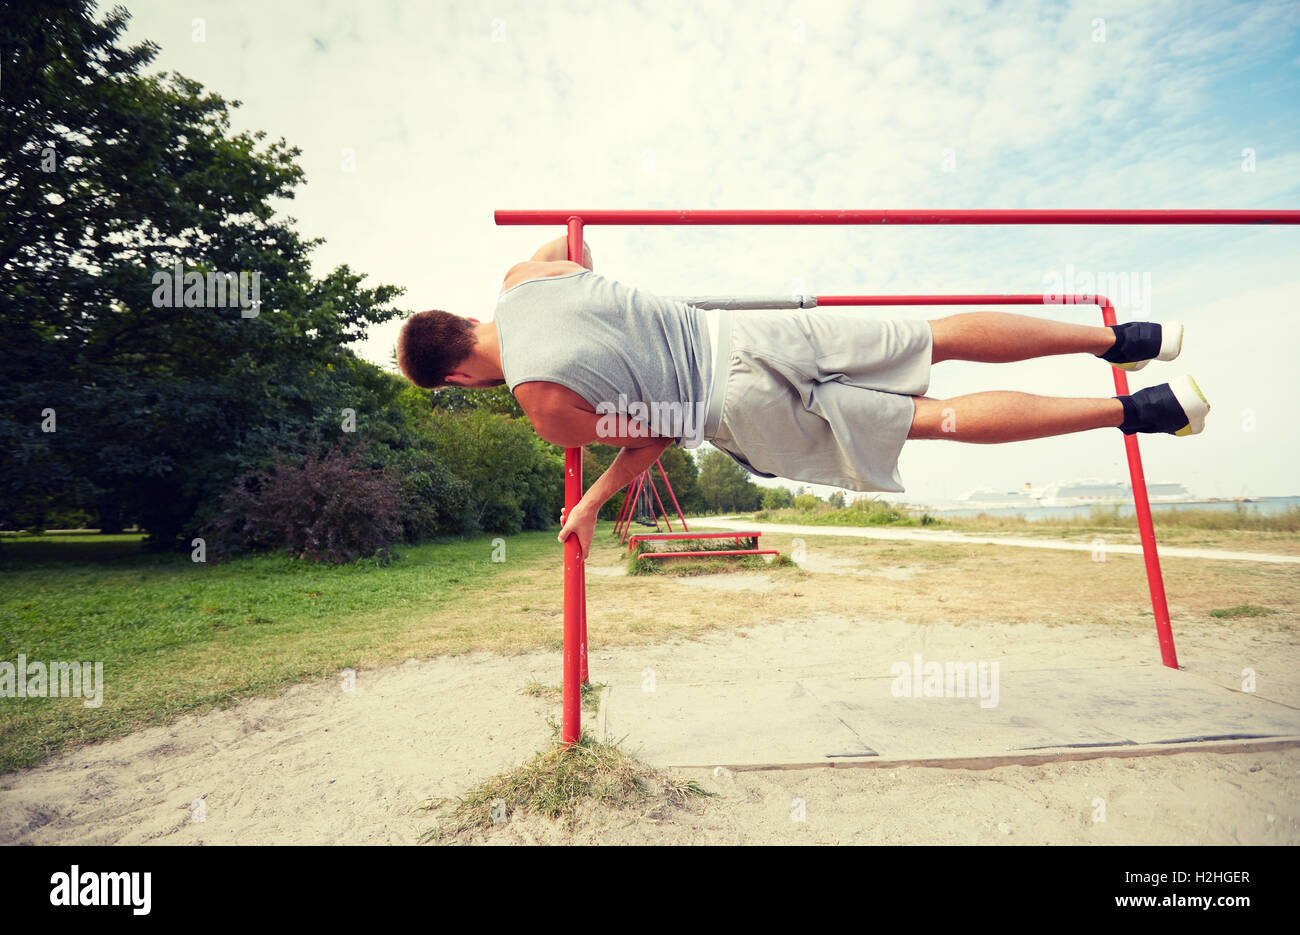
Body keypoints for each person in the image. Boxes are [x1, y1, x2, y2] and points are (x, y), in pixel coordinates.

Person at [396, 237, 1208, 560]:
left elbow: (656, 436)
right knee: (934, 337)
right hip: (747, 333)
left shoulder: (540, 403)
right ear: (461, 319)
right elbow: (572, 244)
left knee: (930, 421)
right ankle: (1123, 338)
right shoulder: (524, 278)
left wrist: (591, 502)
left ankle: (1146, 411)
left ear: (456, 379)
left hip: (732, 407)